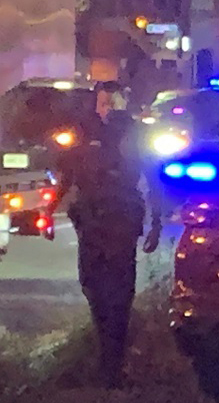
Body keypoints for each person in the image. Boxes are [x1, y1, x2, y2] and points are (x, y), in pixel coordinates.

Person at [47, 81, 163, 387]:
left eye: (113, 102)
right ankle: (105, 355)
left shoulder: (135, 134)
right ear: (96, 105)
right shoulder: (84, 132)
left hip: (122, 218)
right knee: (92, 285)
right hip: (90, 220)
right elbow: (68, 175)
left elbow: (153, 176)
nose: (108, 108)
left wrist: (157, 222)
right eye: (103, 103)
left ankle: (114, 361)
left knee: (120, 291)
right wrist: (48, 212)